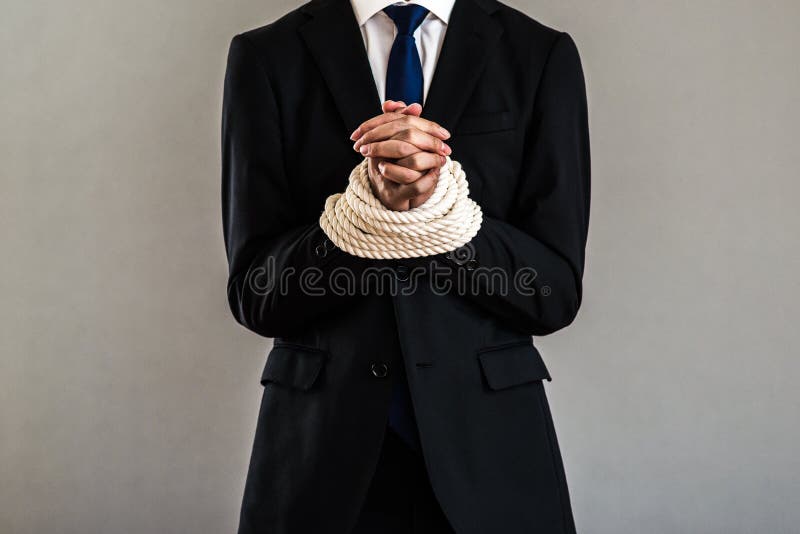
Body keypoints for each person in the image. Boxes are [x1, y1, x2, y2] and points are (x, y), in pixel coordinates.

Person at [221, 0, 590, 532]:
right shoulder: (265, 55)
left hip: (493, 459)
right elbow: (256, 295)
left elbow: (553, 294)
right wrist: (368, 210)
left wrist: (438, 208)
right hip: (319, 460)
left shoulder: (540, 53)